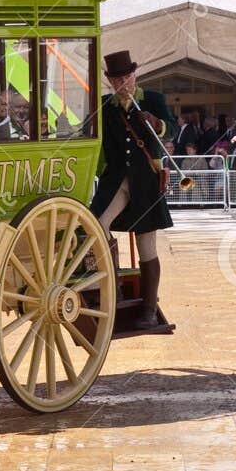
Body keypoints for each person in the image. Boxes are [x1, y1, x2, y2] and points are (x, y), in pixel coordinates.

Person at [88, 49, 176, 336]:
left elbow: (170, 129)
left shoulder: (152, 100)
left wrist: (156, 123)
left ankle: (149, 310)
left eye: (126, 77)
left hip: (145, 182)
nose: (122, 83)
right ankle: (112, 290)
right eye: (116, 79)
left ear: (134, 75)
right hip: (115, 181)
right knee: (95, 226)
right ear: (109, 81)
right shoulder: (104, 105)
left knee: (147, 245)